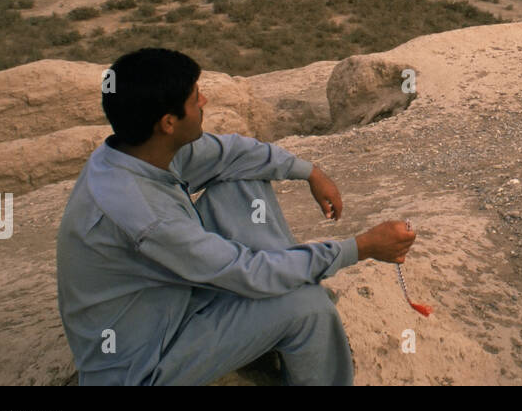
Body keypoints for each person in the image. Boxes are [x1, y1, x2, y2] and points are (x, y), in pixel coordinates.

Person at [56, 46, 416, 385]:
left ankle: (280, 307)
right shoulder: (145, 216)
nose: (204, 101)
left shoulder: (133, 151)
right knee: (308, 308)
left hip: (169, 300)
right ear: (168, 122)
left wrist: (310, 171)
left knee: (241, 181)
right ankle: (294, 319)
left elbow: (230, 154)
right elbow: (247, 271)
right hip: (144, 363)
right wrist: (361, 247)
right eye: (195, 98)